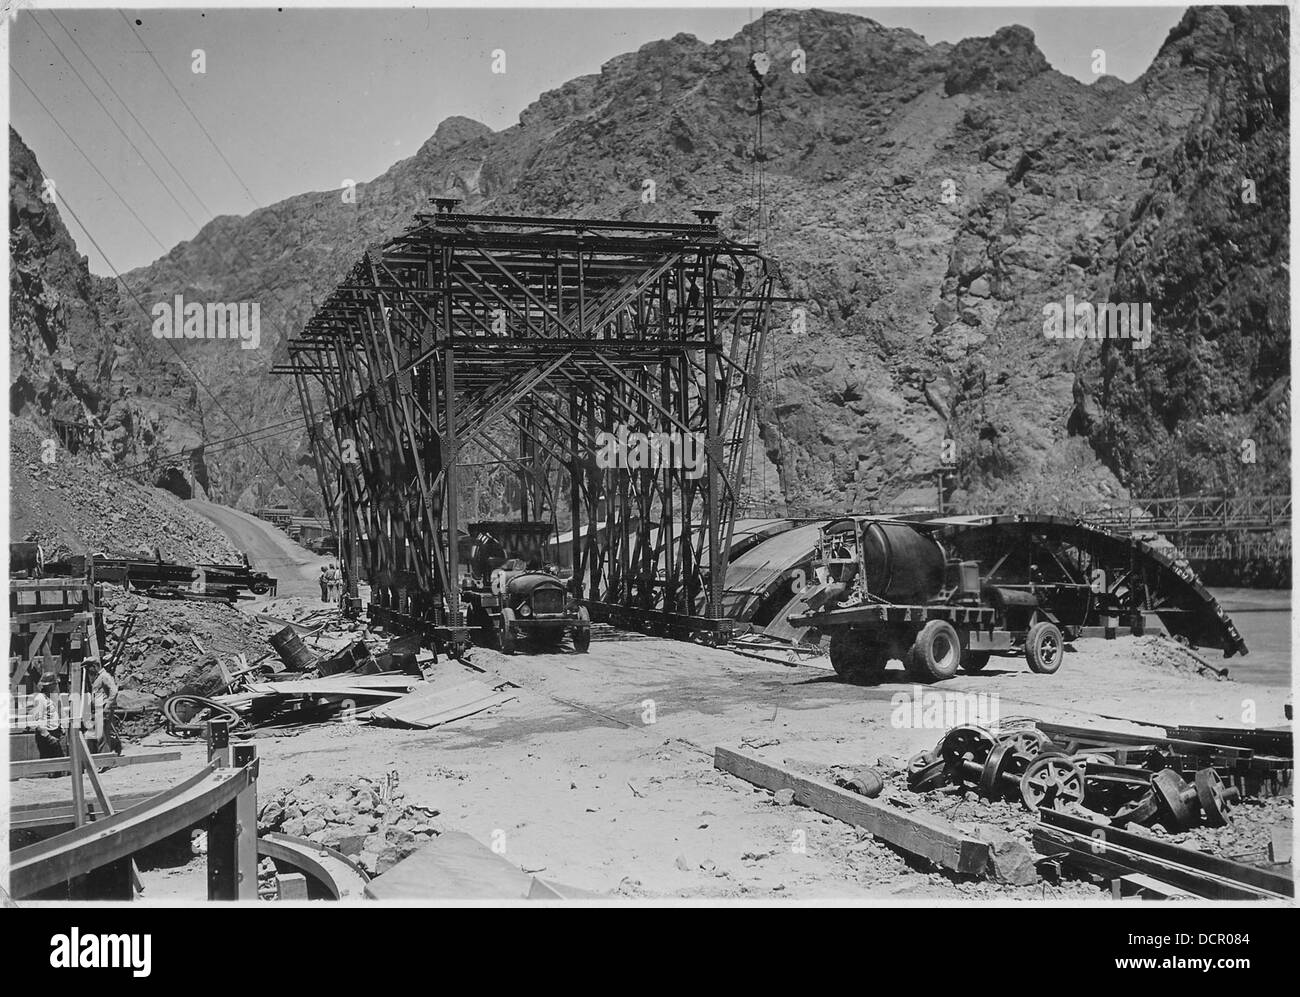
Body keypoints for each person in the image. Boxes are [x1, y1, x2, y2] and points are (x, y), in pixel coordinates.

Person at [88, 657, 122, 755]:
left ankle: (105, 760)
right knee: (101, 734)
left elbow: (114, 691)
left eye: (89, 668)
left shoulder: (104, 676)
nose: (88, 671)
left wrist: (107, 705)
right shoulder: (98, 677)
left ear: (94, 666)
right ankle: (114, 747)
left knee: (102, 736)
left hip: (104, 709)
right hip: (99, 709)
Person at [31, 672, 64, 759]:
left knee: (59, 763)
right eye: (54, 684)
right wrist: (48, 736)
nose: (55, 686)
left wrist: (60, 727)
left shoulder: (52, 697)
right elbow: (38, 721)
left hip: (54, 732)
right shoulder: (40, 698)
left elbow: (55, 714)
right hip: (46, 736)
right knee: (49, 762)